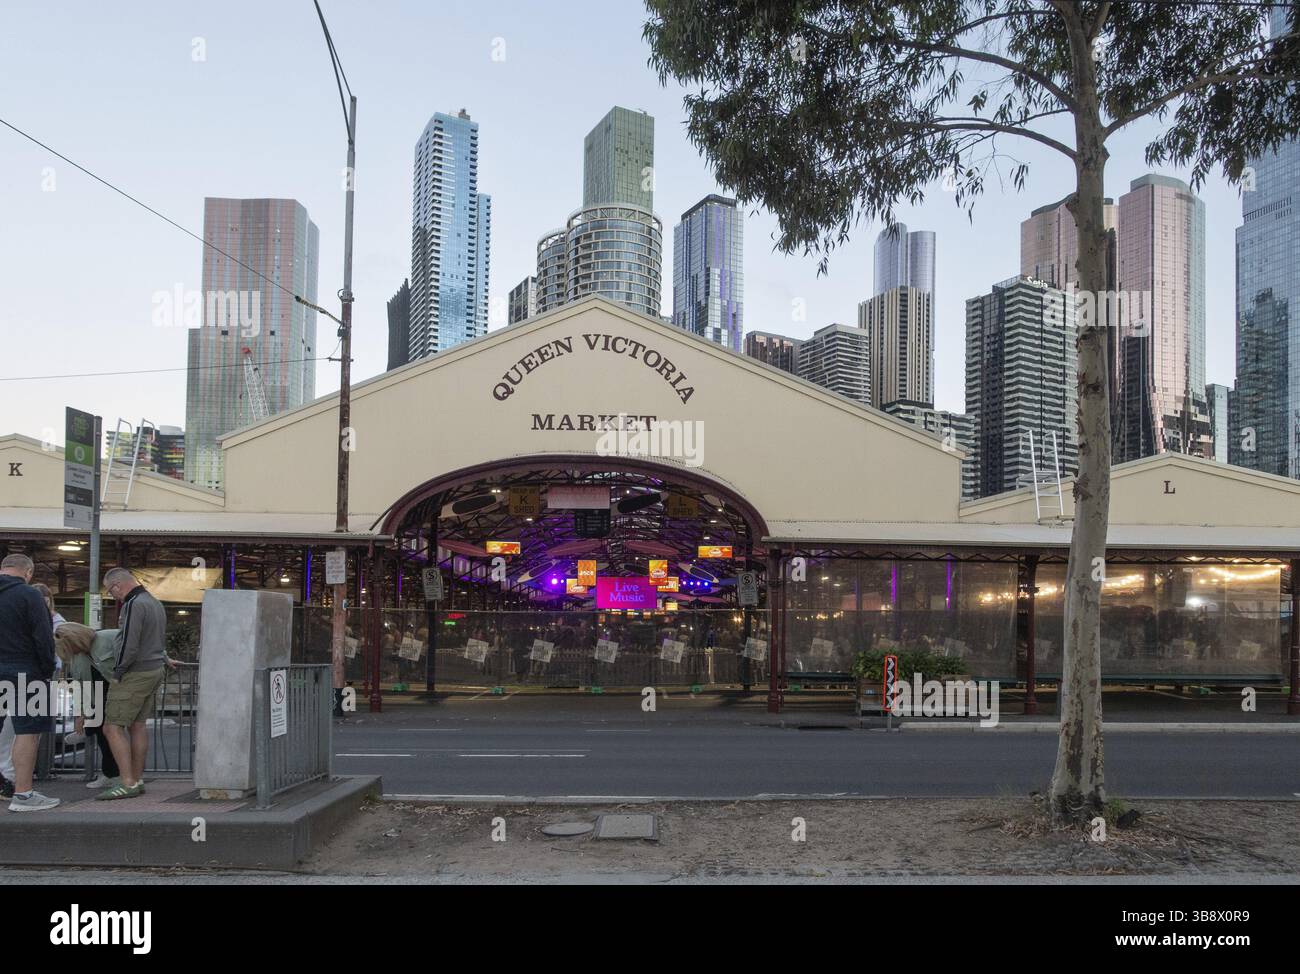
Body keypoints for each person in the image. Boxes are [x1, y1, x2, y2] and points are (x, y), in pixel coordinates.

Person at [96, 567, 167, 801]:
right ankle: (137, 778)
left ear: (117, 586)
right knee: (138, 725)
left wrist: (118, 671)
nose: (112, 595)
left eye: (110, 591)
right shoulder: (154, 602)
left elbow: (129, 642)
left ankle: (126, 782)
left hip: (134, 673)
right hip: (154, 669)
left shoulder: (133, 604)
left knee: (111, 727)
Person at [0, 553, 60, 811]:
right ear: (29, 572)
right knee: (27, 732)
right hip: (24, 671)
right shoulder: (29, 595)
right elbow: (43, 638)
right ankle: (23, 795)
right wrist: (47, 669)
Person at [54, 623, 122, 788]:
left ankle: (118, 774)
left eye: (70, 648)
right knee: (102, 734)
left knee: (110, 732)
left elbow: (140, 644)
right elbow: (79, 685)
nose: (71, 654)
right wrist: (80, 713)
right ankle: (111, 773)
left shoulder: (108, 636)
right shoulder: (77, 657)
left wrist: (163, 657)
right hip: (97, 694)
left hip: (117, 689)